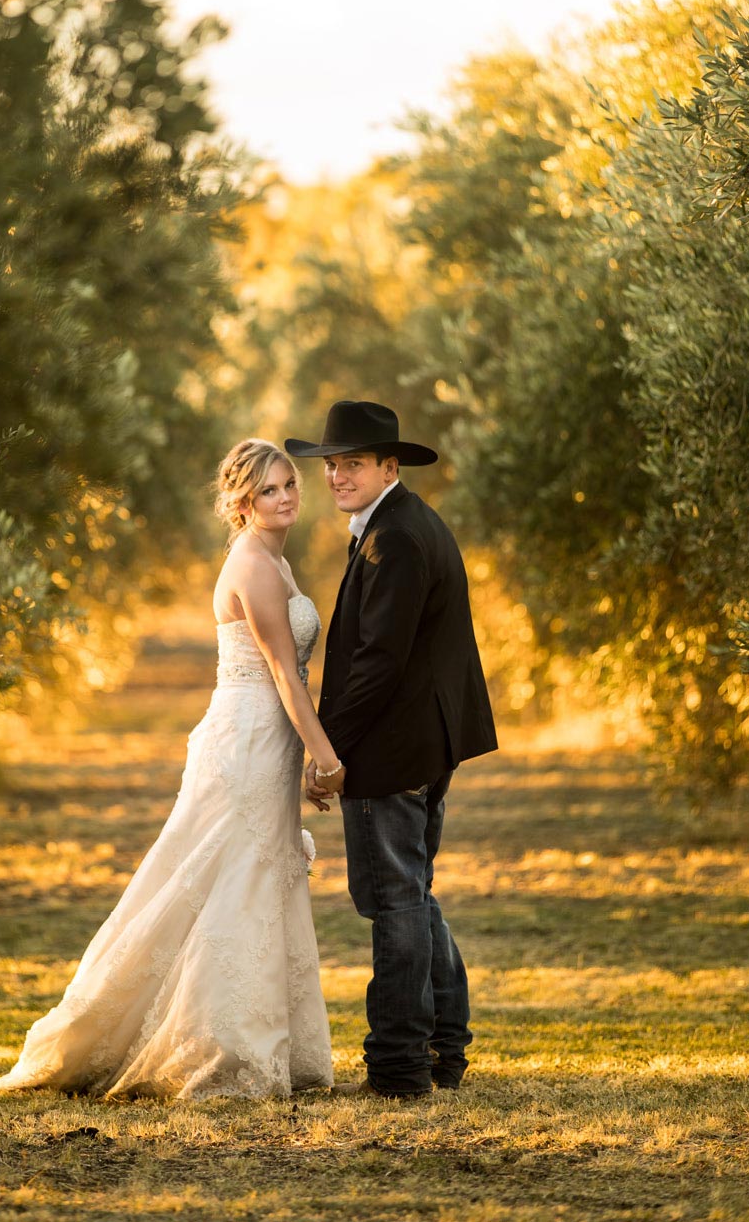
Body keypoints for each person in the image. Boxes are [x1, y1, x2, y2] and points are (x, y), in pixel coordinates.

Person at [0, 439, 334, 1100]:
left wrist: (307, 750)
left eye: (290, 484)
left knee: (252, 876)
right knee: (229, 880)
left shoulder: (273, 560)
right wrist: (324, 753)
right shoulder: (254, 565)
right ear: (241, 501)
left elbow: (289, 676)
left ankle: (265, 1041)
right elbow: (285, 674)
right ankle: (225, 1048)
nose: (286, 496)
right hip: (249, 738)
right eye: (270, 489)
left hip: (264, 734)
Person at [285, 399, 498, 1097]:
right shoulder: (396, 525)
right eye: (332, 463)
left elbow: (379, 660)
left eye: (354, 463)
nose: (338, 475)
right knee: (411, 892)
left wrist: (329, 755)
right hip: (419, 744)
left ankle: (400, 1065)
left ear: (389, 464)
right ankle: (446, 1046)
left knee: (394, 901)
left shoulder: (397, 536)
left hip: (395, 750)